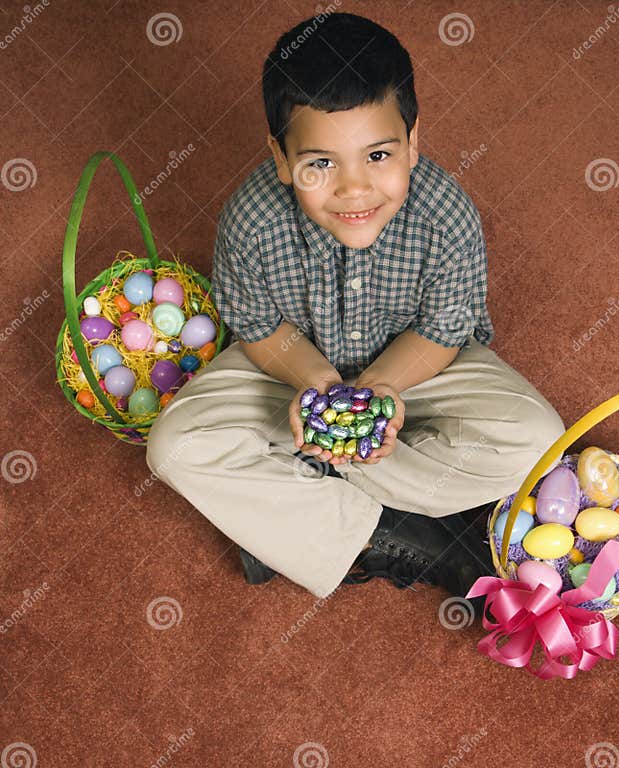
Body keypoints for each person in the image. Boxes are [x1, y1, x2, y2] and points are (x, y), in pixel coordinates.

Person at [145, 12, 566, 600]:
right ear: (281, 158)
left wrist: (377, 395)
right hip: (291, 368)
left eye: (377, 156)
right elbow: (262, 331)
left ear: (413, 143)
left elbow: (442, 334)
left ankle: (297, 506)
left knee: (536, 440)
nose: (354, 188)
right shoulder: (250, 221)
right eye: (320, 163)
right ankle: (394, 531)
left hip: (413, 366)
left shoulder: (446, 216)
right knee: (174, 447)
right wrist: (316, 387)